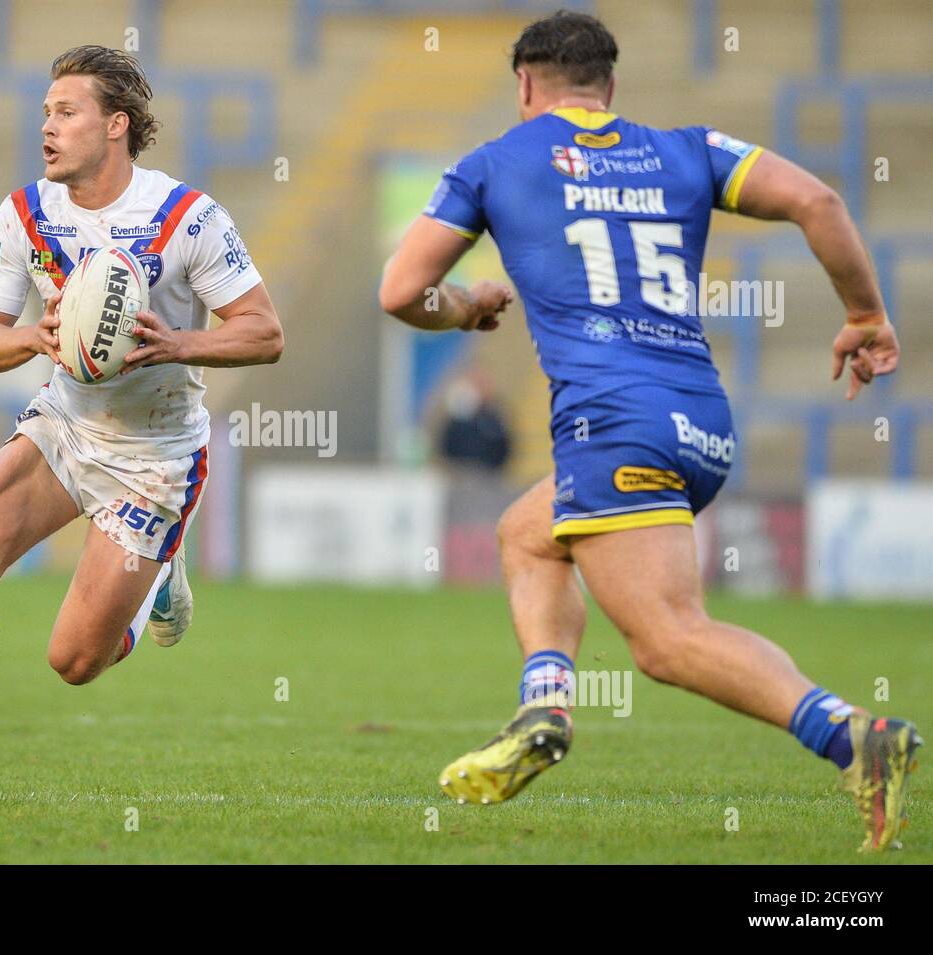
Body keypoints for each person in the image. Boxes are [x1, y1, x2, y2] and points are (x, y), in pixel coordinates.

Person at [378, 11, 917, 851]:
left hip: (611, 423)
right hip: (699, 418)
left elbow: (402, 291)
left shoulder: (493, 163)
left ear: (526, 85)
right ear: (610, 86)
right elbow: (820, 200)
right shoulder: (689, 150)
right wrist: (866, 314)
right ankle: (544, 709)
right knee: (528, 532)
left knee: (668, 639)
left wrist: (469, 306)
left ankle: (851, 733)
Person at [0, 46, 283, 804]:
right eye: (45, 111)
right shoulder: (23, 215)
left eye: (65, 112)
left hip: (155, 454)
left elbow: (264, 332)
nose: (47, 126)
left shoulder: (186, 218)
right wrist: (34, 338)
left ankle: (153, 585)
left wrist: (178, 343)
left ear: (115, 127)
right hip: (66, 425)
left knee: (76, 660)